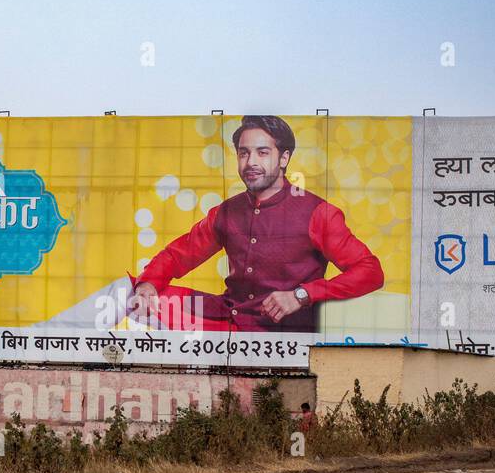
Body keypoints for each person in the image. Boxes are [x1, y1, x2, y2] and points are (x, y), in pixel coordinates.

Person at [129, 115, 384, 333]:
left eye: (262, 152)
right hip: (224, 323)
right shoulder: (227, 212)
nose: (251, 162)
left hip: (280, 337)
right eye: (244, 153)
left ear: (284, 158)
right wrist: (148, 283)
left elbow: (370, 272)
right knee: (128, 296)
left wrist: (302, 295)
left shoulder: (317, 213)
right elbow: (177, 255)